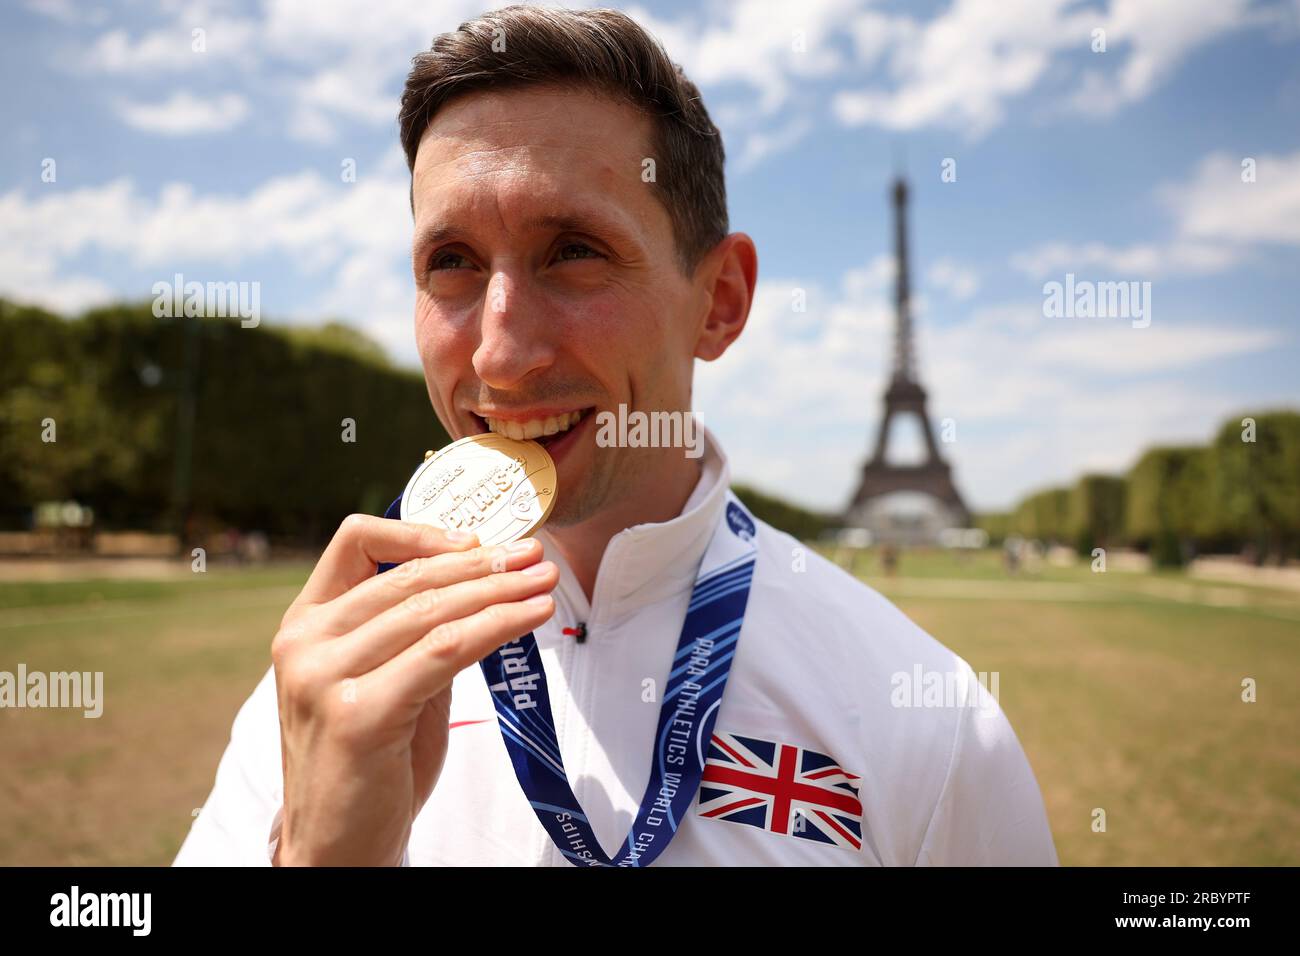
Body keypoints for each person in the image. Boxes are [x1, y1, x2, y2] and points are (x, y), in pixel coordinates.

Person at [174, 5, 1057, 867]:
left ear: (720, 302)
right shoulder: (322, 689)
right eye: (452, 262)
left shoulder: (935, 729)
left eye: (573, 251)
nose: (501, 353)